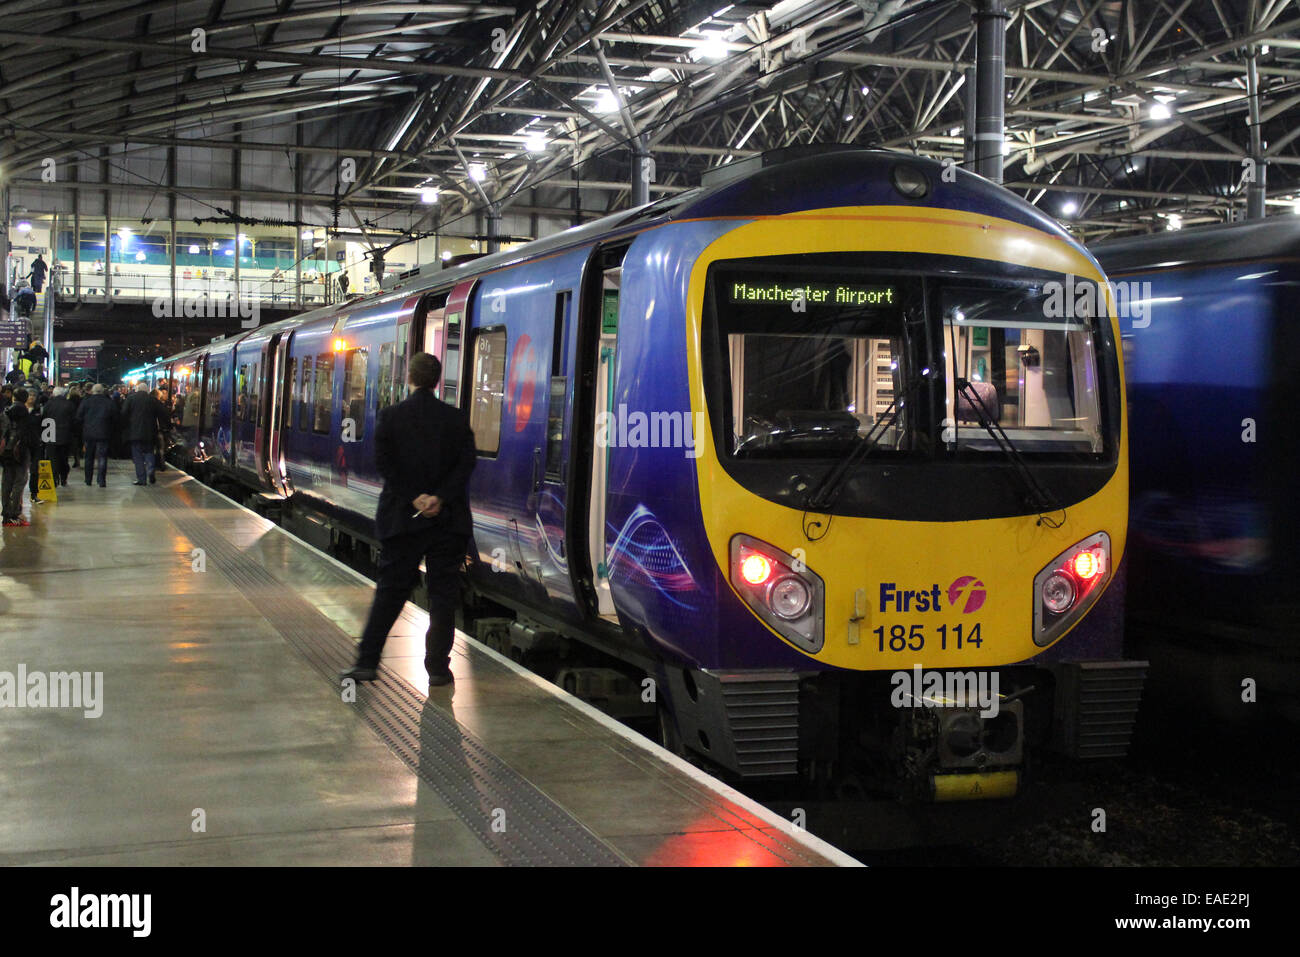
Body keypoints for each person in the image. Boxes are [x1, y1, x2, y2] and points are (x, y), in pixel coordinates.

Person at [341, 353, 476, 686]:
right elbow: (466, 465)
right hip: (447, 522)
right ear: (437, 380)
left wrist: (414, 496)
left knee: (389, 593)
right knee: (443, 597)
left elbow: (385, 466)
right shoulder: (456, 419)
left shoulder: (391, 417)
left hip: (403, 520)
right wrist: (439, 497)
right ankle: (438, 669)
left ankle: (367, 663)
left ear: (410, 378)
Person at [1, 388, 37, 526]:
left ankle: (6, 513)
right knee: (19, 482)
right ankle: (14, 513)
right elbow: (29, 436)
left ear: (14, 397)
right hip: (21, 451)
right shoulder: (25, 414)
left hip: (6, 452)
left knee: (6, 482)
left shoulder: (6, 412)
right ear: (25, 398)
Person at [123, 381, 166, 485]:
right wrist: (164, 427)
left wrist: (126, 427)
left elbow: (124, 413)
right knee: (149, 452)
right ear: (147, 390)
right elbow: (163, 413)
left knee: (137, 456)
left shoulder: (131, 399)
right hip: (150, 433)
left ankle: (141, 479)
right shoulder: (153, 400)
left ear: (137, 389)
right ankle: (150, 469)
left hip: (135, 432)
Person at [76, 384, 117, 487]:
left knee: (89, 457)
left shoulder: (86, 401)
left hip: (89, 433)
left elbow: (79, 417)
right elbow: (115, 417)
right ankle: (101, 480)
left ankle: (88, 479)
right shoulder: (109, 402)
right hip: (104, 433)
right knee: (102, 457)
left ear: (93, 391)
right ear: (102, 391)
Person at [41, 386, 75, 487]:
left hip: (50, 434)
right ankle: (63, 478)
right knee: (64, 458)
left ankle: (54, 478)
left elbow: (44, 419)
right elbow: (73, 420)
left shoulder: (48, 404)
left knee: (53, 458)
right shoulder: (69, 404)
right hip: (65, 435)